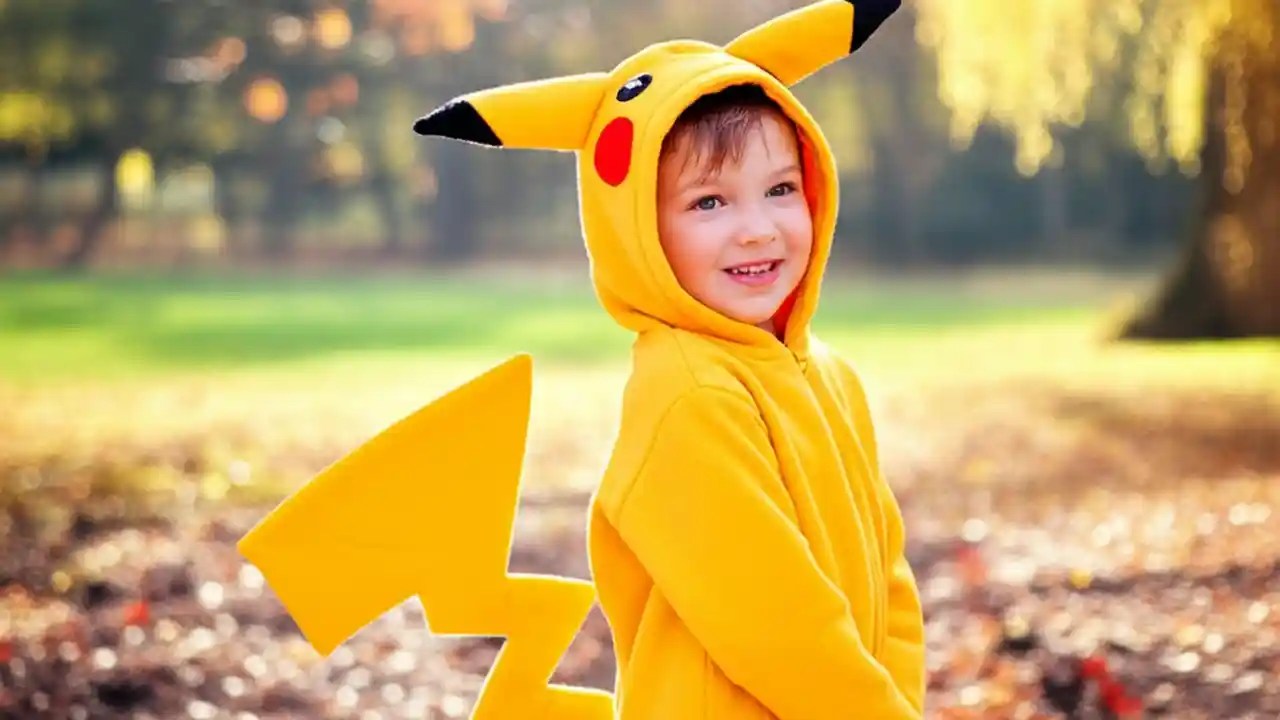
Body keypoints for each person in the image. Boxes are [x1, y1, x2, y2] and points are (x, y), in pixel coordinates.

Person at [411, 0, 924, 717]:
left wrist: (900, 698)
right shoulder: (688, 397)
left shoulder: (831, 376)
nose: (756, 230)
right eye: (709, 203)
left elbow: (889, 575)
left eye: (779, 189)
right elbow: (776, 627)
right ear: (638, 233)